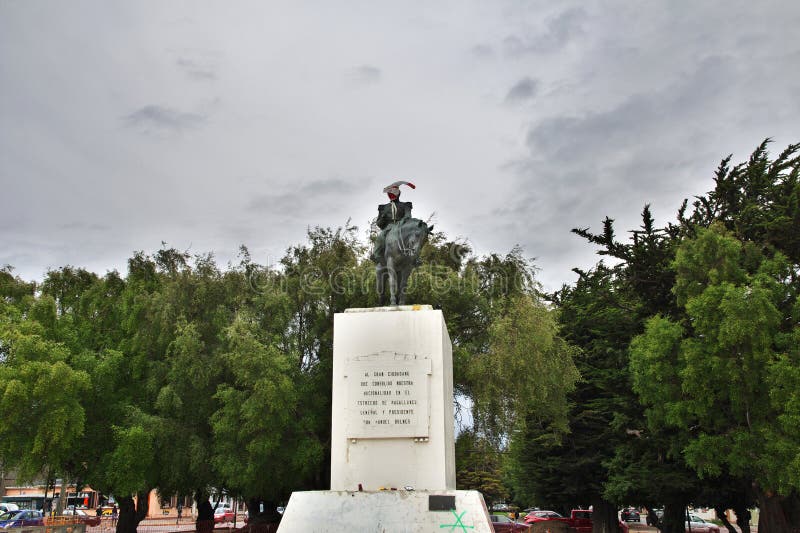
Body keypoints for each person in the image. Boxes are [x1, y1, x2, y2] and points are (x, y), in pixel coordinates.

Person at [371, 180, 415, 263]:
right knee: (380, 237)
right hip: (388, 228)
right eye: (390, 193)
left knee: (414, 237)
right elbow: (379, 223)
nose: (391, 195)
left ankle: (415, 258)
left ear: (398, 193)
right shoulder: (383, 207)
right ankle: (376, 255)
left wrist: (402, 222)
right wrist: (383, 218)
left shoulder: (406, 205)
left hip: (402, 227)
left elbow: (408, 216)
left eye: (394, 193)